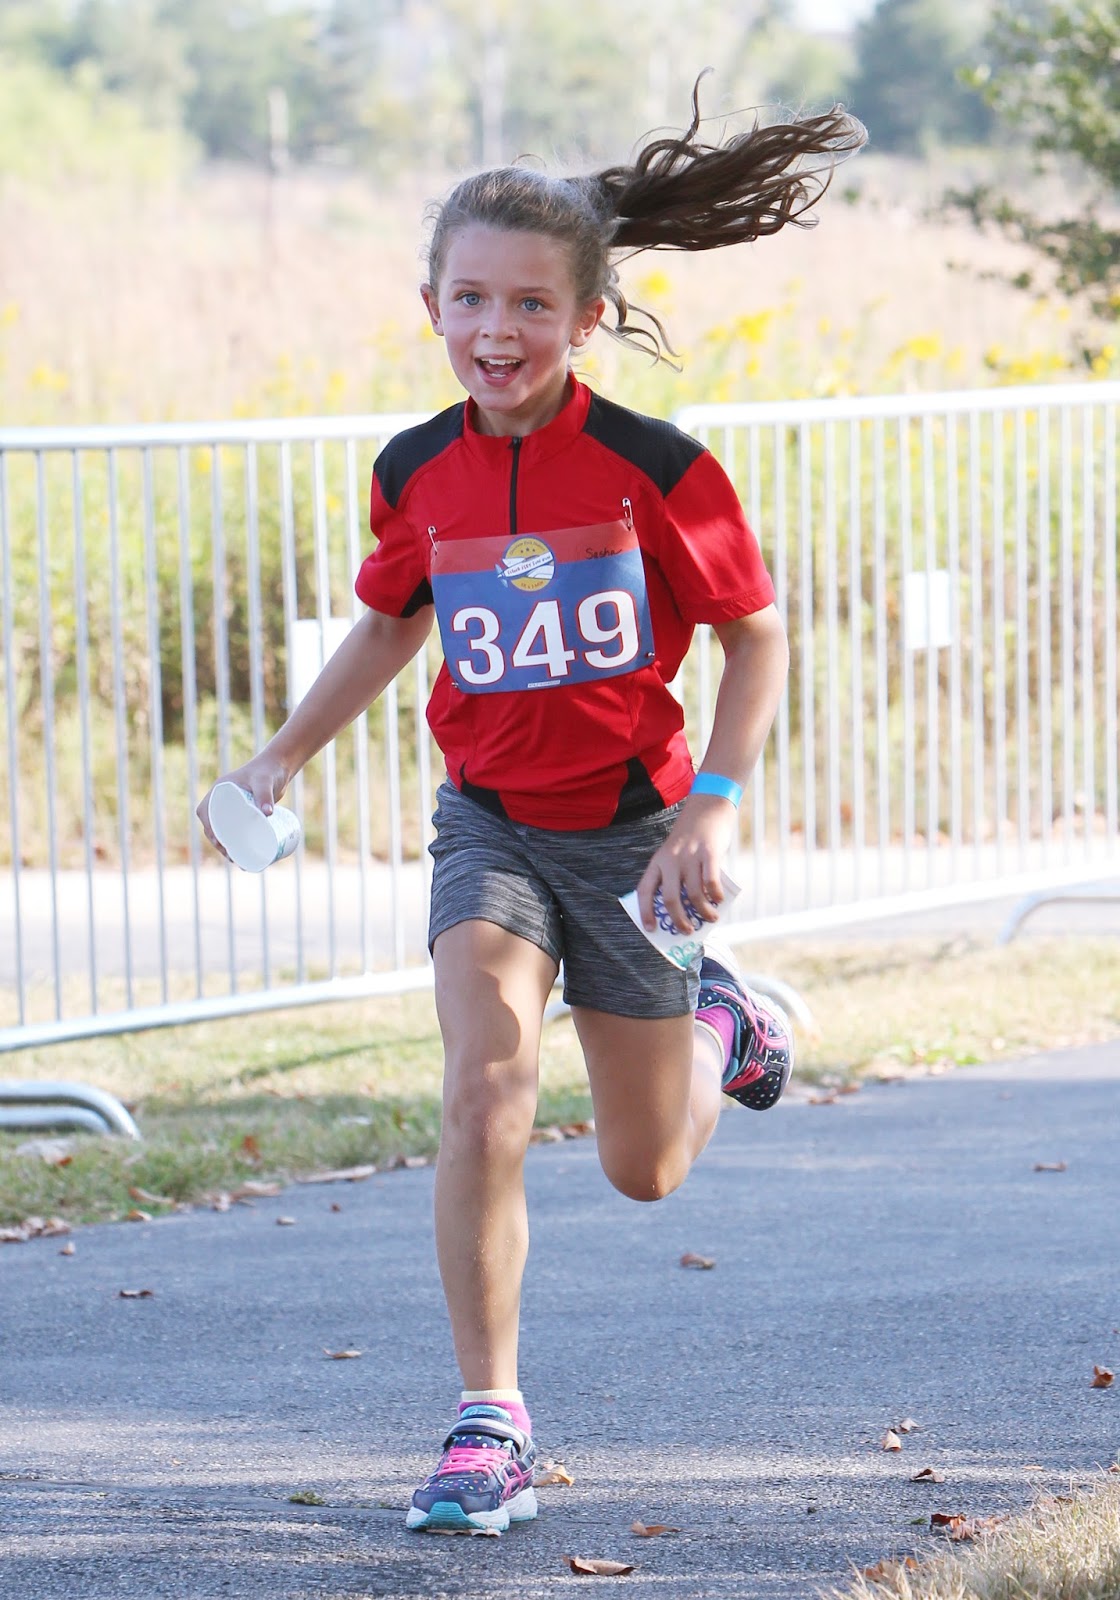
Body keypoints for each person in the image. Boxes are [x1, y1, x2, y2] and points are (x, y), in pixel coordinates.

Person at [197, 78, 866, 1536]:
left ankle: (726, 1026)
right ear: (430, 306)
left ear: (586, 317)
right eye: (471, 300)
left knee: (645, 1169)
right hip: (489, 823)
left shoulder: (657, 468)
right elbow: (394, 619)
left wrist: (715, 807)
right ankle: (486, 1420)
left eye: (531, 305)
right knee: (487, 1089)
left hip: (635, 835)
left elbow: (756, 634)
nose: (497, 330)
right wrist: (279, 758)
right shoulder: (415, 469)